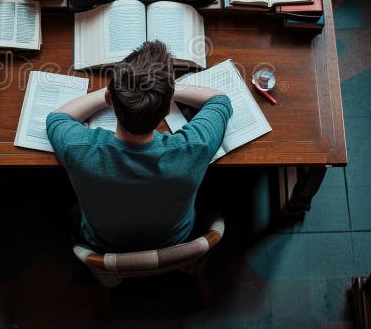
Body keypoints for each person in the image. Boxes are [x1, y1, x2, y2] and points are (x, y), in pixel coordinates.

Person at [46, 40, 232, 252]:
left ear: (109, 98)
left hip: (102, 244)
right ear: (166, 111)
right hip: (177, 240)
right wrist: (165, 90)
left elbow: (57, 119)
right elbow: (219, 101)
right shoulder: (194, 148)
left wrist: (116, 92)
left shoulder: (79, 149)